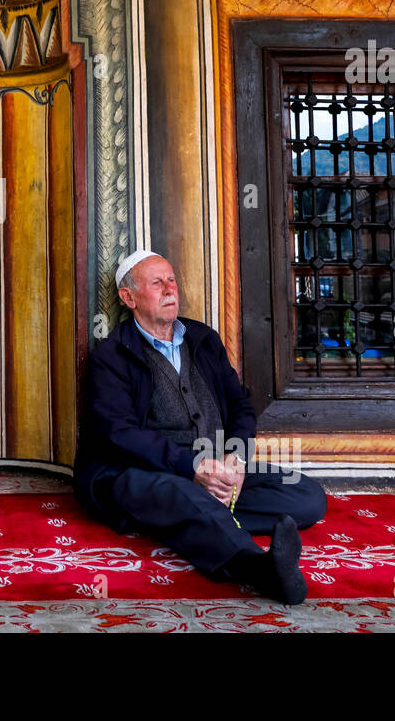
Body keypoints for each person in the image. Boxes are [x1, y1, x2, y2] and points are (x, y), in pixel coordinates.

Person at [73, 250, 327, 604]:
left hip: (212, 461)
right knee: (178, 493)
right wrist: (191, 468)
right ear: (128, 297)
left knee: (306, 496)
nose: (169, 289)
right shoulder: (111, 356)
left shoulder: (203, 339)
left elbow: (240, 405)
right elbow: (119, 433)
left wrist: (234, 459)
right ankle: (258, 569)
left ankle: (189, 516)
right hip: (139, 470)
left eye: (172, 280)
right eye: (156, 283)